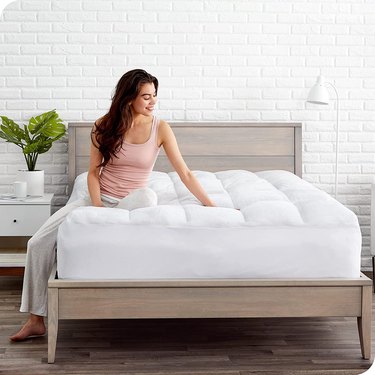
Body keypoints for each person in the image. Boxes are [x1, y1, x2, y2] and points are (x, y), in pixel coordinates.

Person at [10, 69, 215, 341]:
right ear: (129, 98)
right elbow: (93, 173)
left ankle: (110, 224)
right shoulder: (103, 126)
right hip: (100, 199)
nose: (152, 102)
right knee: (37, 243)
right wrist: (97, 208)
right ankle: (36, 319)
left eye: (154, 96)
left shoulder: (160, 127)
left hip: (134, 201)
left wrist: (211, 205)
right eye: (146, 96)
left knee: (148, 197)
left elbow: (185, 173)